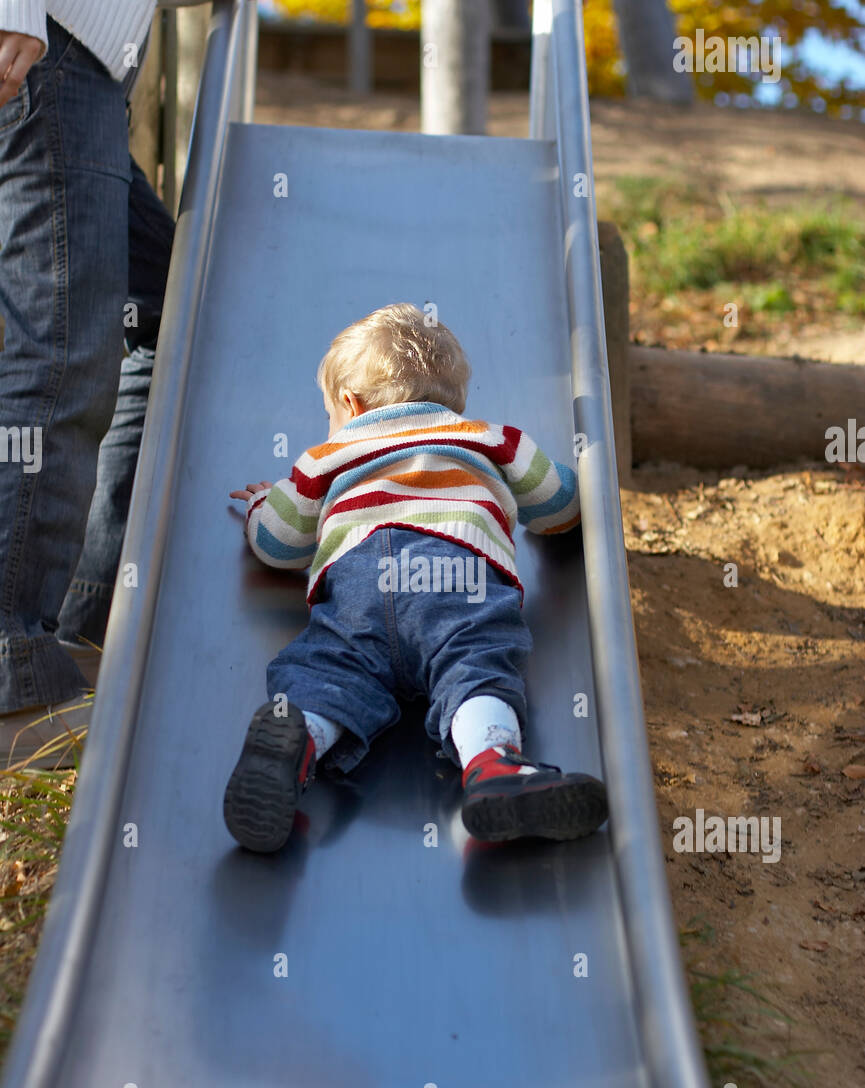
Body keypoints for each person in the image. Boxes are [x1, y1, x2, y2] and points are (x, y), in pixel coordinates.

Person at [0, 0, 288, 765]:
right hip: (45, 52)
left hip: (70, 57)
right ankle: (13, 679)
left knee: (171, 313)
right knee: (58, 358)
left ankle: (82, 614)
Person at [224, 303, 608, 853]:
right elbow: (563, 505)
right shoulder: (489, 437)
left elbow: (277, 544)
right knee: (475, 663)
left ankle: (298, 740)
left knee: (332, 666)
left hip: (358, 580)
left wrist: (264, 503)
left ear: (350, 405)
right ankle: (492, 764)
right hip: (456, 571)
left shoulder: (327, 456)